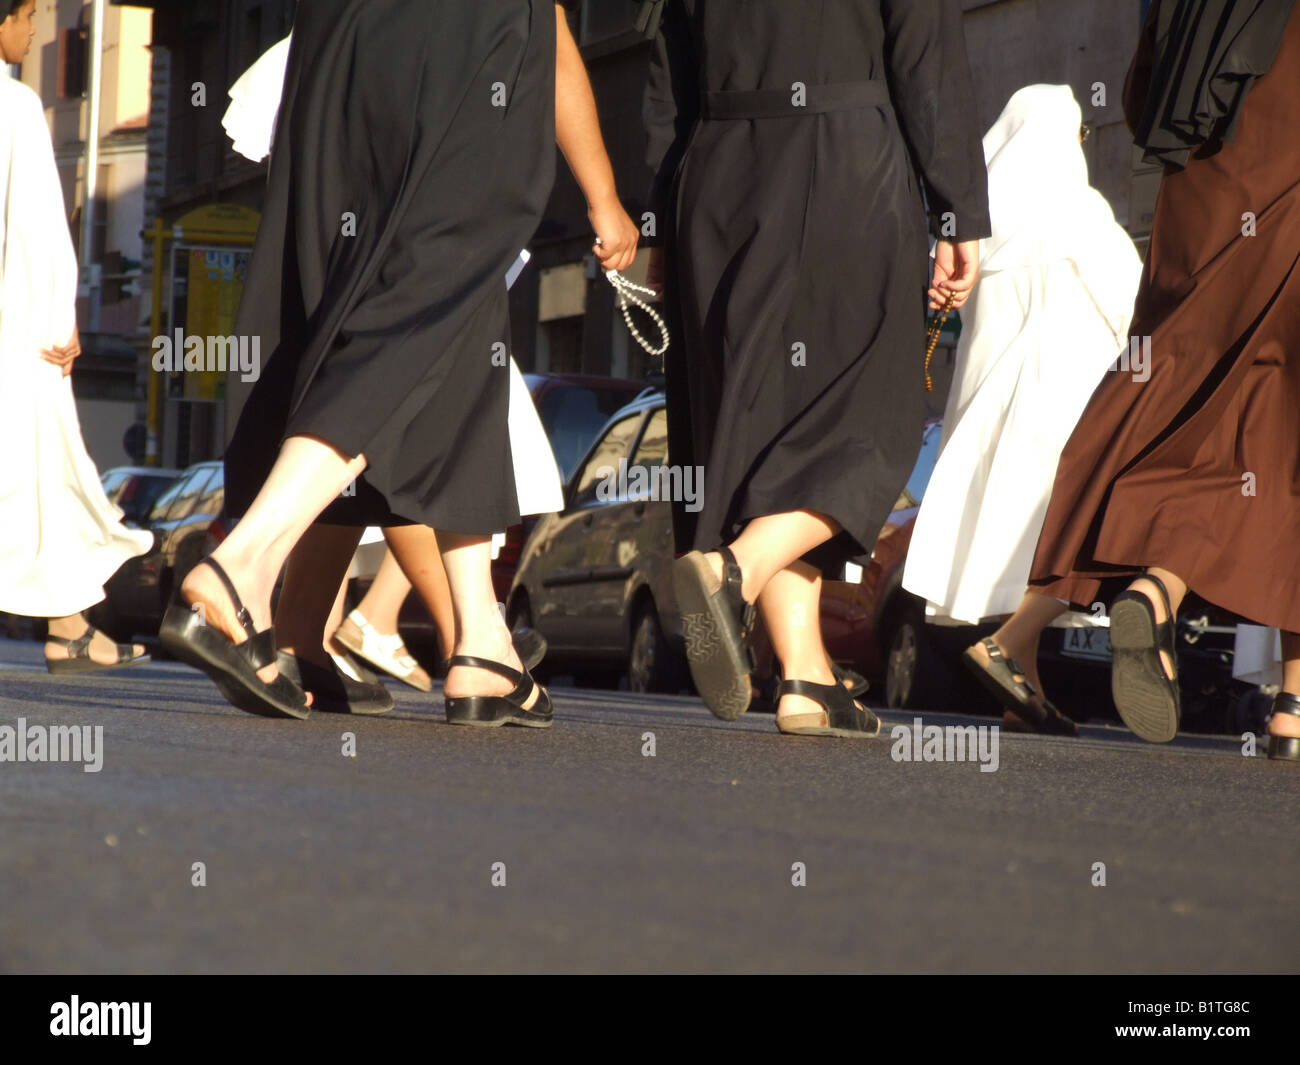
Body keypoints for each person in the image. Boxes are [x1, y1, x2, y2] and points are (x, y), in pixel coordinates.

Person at [163, 1, 635, 726]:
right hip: (469, 37)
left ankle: (481, 642)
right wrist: (605, 197)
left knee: (444, 317)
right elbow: (549, 18)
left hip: (341, 38)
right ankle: (243, 564)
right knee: (427, 301)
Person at [644, 0, 990, 737]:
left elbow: (665, 59)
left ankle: (804, 673)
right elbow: (927, 56)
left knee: (763, 420)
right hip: (844, 162)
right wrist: (958, 208)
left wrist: (656, 213)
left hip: (715, 169)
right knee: (878, 409)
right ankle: (733, 567)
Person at [1025, 0, 1300, 759]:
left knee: (1190, 389)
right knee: (1280, 428)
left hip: (1202, 166)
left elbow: (1145, 84)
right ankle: (1294, 705)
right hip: (1285, 162)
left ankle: (1153, 589)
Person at [902, 85, 1143, 735]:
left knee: (1019, 549)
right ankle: (1010, 646)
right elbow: (1134, 305)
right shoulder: (1081, 214)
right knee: (1092, 528)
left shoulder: (981, 237)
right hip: (1068, 417)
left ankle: (1022, 693)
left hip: (997, 427)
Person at [0, 0, 151, 674]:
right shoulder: (18, 106)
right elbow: (34, 222)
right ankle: (69, 628)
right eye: (27, 15)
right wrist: (62, 316)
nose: (33, 31)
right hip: (16, 328)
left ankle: (72, 624)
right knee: (37, 468)